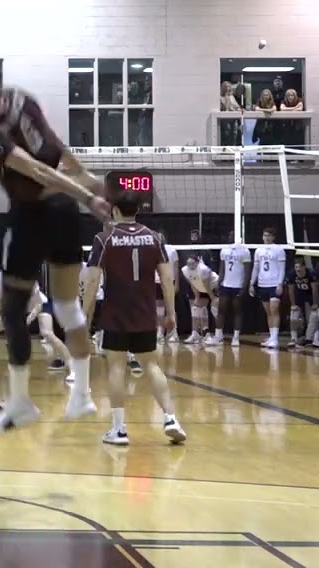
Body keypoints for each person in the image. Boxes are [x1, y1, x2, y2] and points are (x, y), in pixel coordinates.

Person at [0, 67, 109, 432]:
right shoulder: (20, 96)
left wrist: (88, 193)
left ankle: (21, 404)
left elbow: (38, 171)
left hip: (32, 217)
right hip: (65, 213)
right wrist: (86, 180)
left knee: (11, 310)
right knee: (69, 307)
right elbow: (57, 147)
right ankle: (82, 395)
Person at [82, 191, 187, 446]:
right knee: (152, 366)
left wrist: (85, 318)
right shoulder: (154, 238)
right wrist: (171, 313)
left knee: (117, 367)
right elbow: (167, 279)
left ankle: (119, 430)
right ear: (137, 210)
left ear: (114, 210)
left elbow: (92, 280)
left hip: (115, 313)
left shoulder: (103, 238)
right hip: (145, 313)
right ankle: (171, 418)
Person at [0, 271, 75, 381]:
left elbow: (38, 305)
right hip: (20, 309)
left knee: (47, 333)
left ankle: (73, 367)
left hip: (40, 305)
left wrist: (28, 320)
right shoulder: (0, 277)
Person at [250, 228, 287, 349]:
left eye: (269, 235)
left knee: (274, 309)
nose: (267, 238)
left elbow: (282, 268)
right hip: (262, 284)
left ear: (273, 237)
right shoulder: (258, 250)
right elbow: (256, 268)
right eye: (265, 235)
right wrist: (251, 283)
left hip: (274, 283)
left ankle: (275, 339)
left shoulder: (279, 250)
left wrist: (280, 283)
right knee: (268, 312)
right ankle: (272, 336)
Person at [216, 234, 251, 347]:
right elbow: (222, 268)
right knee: (221, 310)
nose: (231, 237)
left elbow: (247, 271)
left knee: (237, 311)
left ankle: (236, 337)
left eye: (234, 235)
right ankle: (218, 335)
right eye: (230, 235)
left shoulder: (245, 251)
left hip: (238, 286)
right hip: (225, 284)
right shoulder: (224, 250)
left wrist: (244, 287)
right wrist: (219, 282)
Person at [180, 256, 219, 344]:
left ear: (197, 263)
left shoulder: (203, 269)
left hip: (213, 286)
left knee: (214, 310)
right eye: (188, 263)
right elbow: (192, 283)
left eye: (192, 263)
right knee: (196, 308)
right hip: (201, 287)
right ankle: (196, 333)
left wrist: (212, 297)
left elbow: (206, 285)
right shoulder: (185, 270)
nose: (190, 265)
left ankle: (216, 336)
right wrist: (197, 297)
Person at [287, 259, 318, 348]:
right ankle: (293, 338)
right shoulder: (291, 274)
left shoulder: (311, 273)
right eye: (296, 267)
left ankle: (311, 338)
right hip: (298, 294)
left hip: (309, 294)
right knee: (294, 314)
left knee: (312, 315)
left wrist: (315, 303)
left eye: (299, 267)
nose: (298, 269)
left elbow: (314, 289)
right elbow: (291, 290)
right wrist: (293, 304)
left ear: (304, 267)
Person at [155, 233, 179, 343]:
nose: (161, 238)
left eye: (162, 236)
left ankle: (173, 332)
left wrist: (177, 283)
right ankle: (160, 331)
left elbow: (176, 267)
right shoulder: (153, 249)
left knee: (171, 307)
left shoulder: (172, 250)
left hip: (169, 281)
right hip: (156, 281)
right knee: (159, 308)